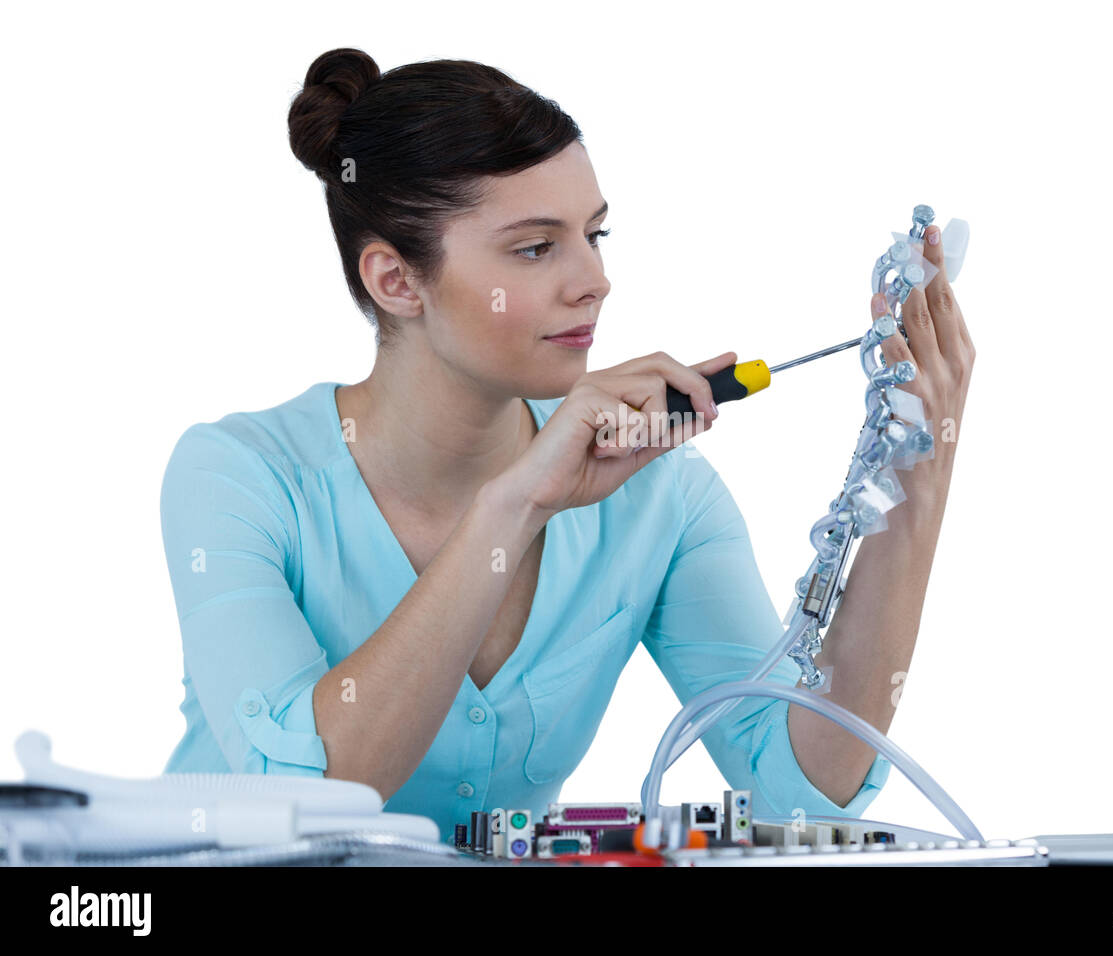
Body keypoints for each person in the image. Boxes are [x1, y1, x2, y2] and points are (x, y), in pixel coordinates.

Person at [158, 48, 975, 844]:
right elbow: (304, 797)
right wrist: (518, 504)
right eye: (536, 248)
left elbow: (802, 786)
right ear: (395, 281)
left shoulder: (664, 497)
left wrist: (919, 468)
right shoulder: (237, 477)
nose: (595, 279)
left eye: (596, 234)